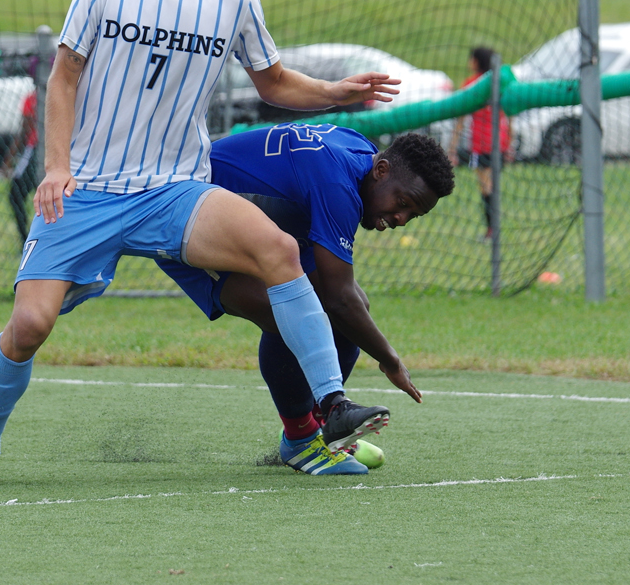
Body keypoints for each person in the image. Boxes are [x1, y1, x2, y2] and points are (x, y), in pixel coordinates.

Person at [0, 0, 402, 488]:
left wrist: (334, 92)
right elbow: (64, 77)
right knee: (29, 326)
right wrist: (57, 168)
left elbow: (271, 81)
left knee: (279, 249)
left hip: (175, 188)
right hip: (89, 190)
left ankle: (330, 404)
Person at [157, 127, 455, 474]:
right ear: (382, 171)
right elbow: (337, 298)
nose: (401, 219)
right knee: (287, 312)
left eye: (413, 215)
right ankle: (301, 440)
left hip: (263, 230)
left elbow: (345, 299)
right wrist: (390, 360)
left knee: (356, 307)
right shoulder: (338, 185)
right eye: (402, 203)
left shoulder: (360, 156)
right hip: (186, 214)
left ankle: (324, 430)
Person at [447, 46, 513, 241]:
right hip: (500, 141)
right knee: (492, 184)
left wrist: (452, 148)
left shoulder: (471, 84)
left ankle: (492, 231)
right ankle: (493, 230)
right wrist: (510, 142)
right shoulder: (498, 82)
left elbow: (460, 119)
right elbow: (510, 115)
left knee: (486, 188)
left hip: (482, 142)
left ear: (476, 61)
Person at [2, 89, 40, 240]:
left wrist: (8, 160)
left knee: (15, 195)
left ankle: (27, 240)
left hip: (37, 150)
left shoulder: (33, 98)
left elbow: (24, 131)